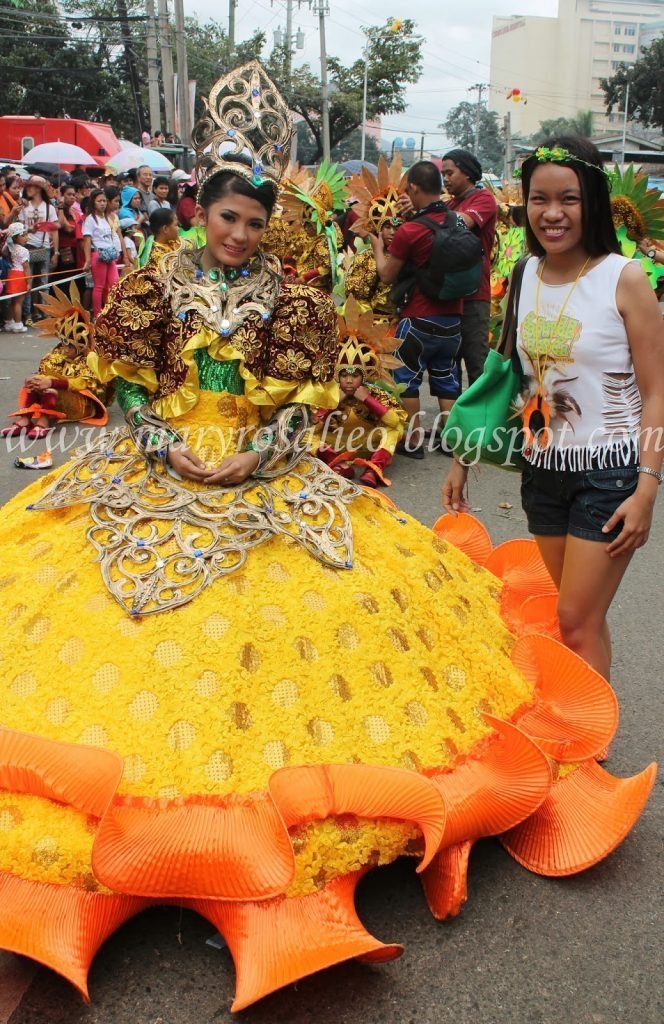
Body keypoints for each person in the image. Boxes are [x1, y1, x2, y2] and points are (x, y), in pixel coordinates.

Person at [0, 70, 655, 1012]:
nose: (239, 235)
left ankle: (562, 743)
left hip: (269, 472)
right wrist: (161, 442)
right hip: (157, 468)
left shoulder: (295, 302)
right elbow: (126, 383)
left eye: (254, 224)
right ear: (200, 213)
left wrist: (258, 452)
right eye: (228, 218)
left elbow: (308, 405)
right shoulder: (150, 285)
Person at [443, 136, 664, 681]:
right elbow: (504, 377)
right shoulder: (524, 274)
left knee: (574, 618)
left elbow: (657, 390)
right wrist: (463, 456)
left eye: (568, 198)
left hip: (609, 475)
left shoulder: (625, 278)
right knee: (581, 617)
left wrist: (646, 489)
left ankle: (585, 728)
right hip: (541, 471)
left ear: (593, 201)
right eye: (539, 199)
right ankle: (592, 711)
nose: (552, 213)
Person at [370, 160, 463, 459]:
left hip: (419, 318)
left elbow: (386, 275)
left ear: (413, 188)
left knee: (406, 379)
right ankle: (451, 439)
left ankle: (413, 439)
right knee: (446, 378)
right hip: (454, 319)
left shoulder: (410, 230)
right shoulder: (457, 222)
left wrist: (377, 249)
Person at [441, 149, 498, 388]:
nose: (445, 179)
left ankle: (482, 411)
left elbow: (464, 222)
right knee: (449, 367)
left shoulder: (484, 198)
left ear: (466, 172)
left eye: (450, 173)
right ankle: (455, 411)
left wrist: (429, 211)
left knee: (477, 363)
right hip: (449, 295)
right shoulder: (449, 204)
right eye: (443, 174)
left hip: (475, 296)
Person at [18, 175, 59, 324]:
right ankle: (28, 313)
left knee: (43, 282)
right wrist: (30, 230)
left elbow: (54, 231)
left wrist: (56, 252)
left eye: (33, 186)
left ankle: (44, 312)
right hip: (27, 247)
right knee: (28, 282)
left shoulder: (49, 208)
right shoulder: (24, 206)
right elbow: (20, 228)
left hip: (44, 248)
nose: (29, 189)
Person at [81, 188, 120, 317]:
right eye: (99, 201)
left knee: (114, 284)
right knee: (99, 286)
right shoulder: (90, 219)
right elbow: (87, 240)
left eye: (104, 201)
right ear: (93, 202)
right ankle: (97, 314)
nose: (102, 204)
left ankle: (112, 311)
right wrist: (87, 260)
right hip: (98, 255)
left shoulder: (107, 218)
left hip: (110, 255)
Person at [1, 221, 30, 332]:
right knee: (18, 302)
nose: (26, 237)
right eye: (23, 235)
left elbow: (4, 251)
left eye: (26, 234)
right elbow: (26, 268)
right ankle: (18, 324)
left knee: (12, 301)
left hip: (12, 274)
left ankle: (9, 322)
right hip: (20, 275)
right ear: (15, 238)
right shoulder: (24, 251)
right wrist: (29, 282)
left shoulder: (9, 248)